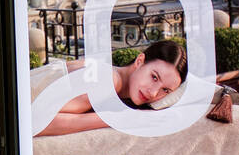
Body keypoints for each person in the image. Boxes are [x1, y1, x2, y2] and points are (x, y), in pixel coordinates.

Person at [33, 40, 189, 137]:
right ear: (140, 61)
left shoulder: (114, 82)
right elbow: (37, 121)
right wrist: (117, 118)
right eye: (154, 77)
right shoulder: (108, 79)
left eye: (165, 91)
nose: (153, 92)